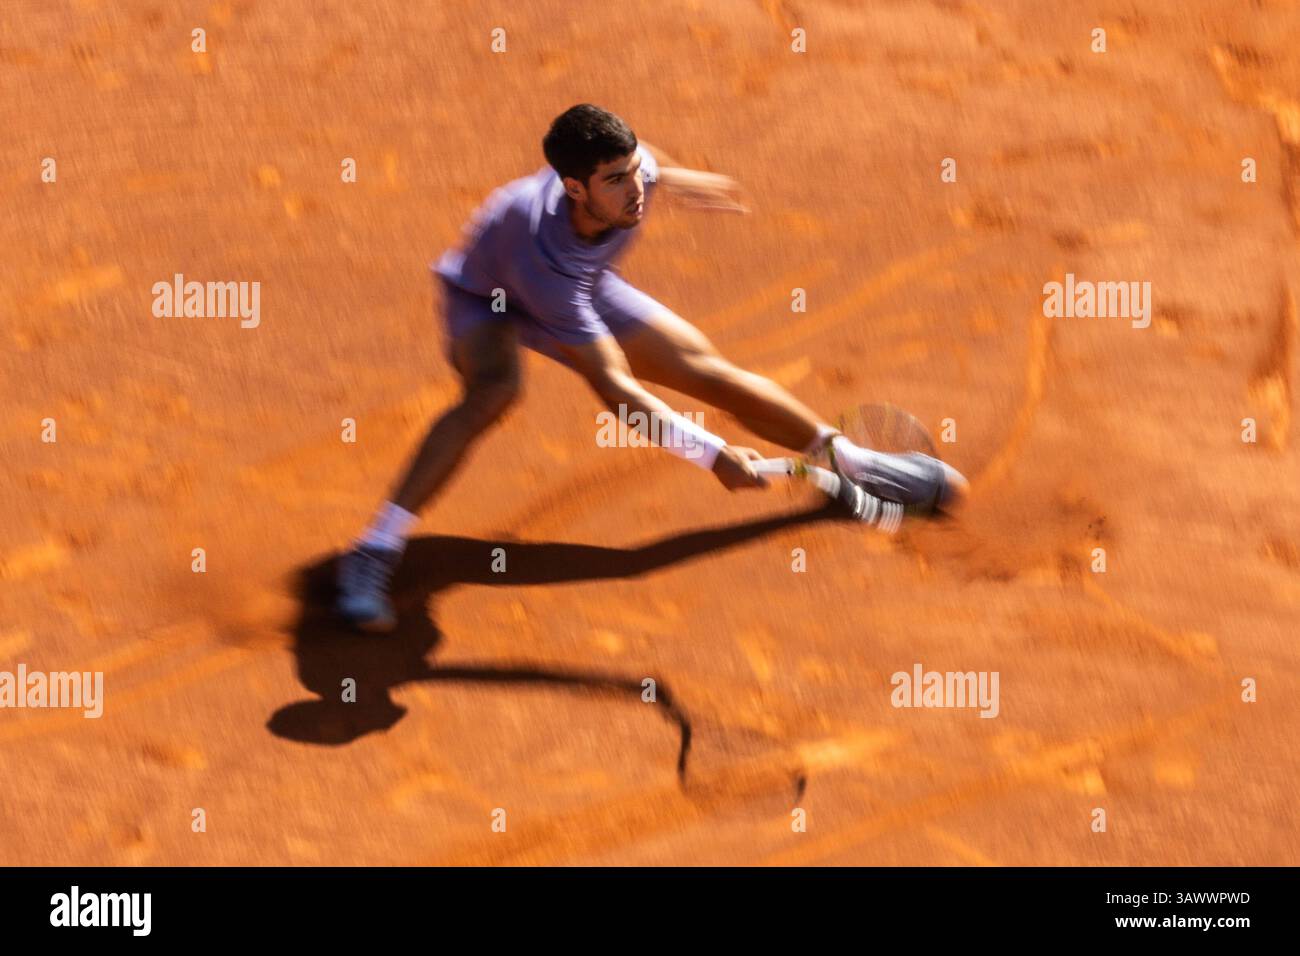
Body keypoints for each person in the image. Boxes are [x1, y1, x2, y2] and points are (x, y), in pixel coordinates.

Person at [337, 104, 966, 632]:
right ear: (574, 188)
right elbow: (615, 389)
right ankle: (375, 548)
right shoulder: (539, 249)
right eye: (615, 180)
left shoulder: (633, 179)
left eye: (636, 171)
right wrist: (712, 454)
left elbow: (645, 166)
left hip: (581, 282)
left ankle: (854, 465)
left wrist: (686, 179)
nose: (636, 190)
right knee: (493, 394)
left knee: (708, 370)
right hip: (491, 299)